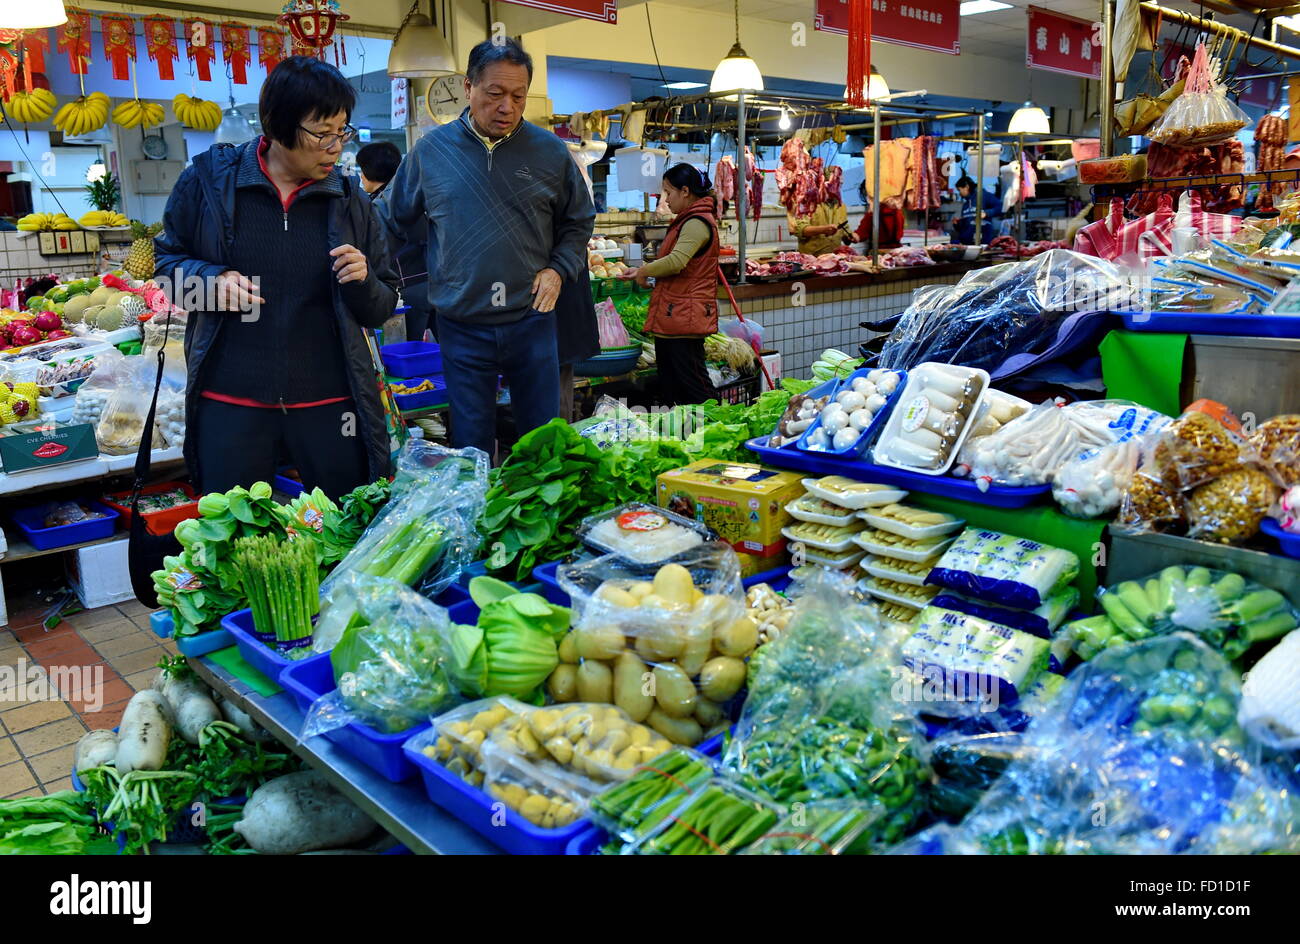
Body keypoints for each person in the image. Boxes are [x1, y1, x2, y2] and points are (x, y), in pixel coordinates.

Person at [154, 56, 399, 498]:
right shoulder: (208, 186)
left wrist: (363, 282)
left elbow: (382, 306)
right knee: (235, 541)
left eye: (340, 132)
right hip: (230, 400)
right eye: (321, 133)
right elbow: (167, 272)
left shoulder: (351, 204)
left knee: (343, 530)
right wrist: (210, 283)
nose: (335, 147)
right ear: (277, 127)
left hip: (330, 403)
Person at [379, 38, 594, 459]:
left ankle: (541, 521)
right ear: (469, 88)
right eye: (495, 94)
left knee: (541, 445)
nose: (507, 107)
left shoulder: (550, 151)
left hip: (533, 319)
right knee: (470, 446)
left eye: (518, 96)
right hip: (461, 325)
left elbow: (578, 221)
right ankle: (476, 520)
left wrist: (558, 268)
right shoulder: (431, 153)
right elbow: (391, 222)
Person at [619, 163, 719, 407]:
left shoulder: (696, 222)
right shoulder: (686, 219)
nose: (665, 200)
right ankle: (686, 438)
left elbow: (676, 262)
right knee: (673, 388)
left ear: (685, 191)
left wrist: (644, 270)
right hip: (675, 315)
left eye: (668, 192)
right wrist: (645, 274)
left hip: (685, 318)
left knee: (694, 386)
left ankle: (722, 428)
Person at [360, 141, 434, 341]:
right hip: (435, 281)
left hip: (405, 289)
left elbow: (377, 251)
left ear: (367, 172)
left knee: (410, 348)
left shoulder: (377, 207)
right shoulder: (413, 198)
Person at [788, 190, 850, 256]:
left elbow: (844, 229)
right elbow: (800, 229)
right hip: (812, 259)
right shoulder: (807, 202)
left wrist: (850, 236)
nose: (837, 189)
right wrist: (823, 230)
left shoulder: (841, 205)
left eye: (839, 185)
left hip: (835, 258)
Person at [951, 175, 999, 244]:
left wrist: (987, 213)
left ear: (967, 187)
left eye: (959, 190)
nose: (959, 193)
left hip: (983, 243)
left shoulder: (984, 196)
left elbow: (1000, 207)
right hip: (967, 244)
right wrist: (957, 224)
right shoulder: (965, 205)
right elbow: (964, 227)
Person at [853, 186, 904, 251]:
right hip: (897, 250)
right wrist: (856, 236)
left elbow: (863, 231)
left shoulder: (875, 211)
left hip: (879, 250)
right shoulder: (897, 208)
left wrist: (856, 236)